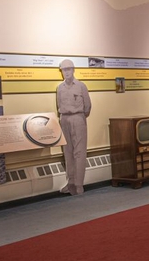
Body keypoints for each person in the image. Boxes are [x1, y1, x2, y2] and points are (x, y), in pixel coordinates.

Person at [56, 59, 91, 195]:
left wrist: (80, 116)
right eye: (64, 70)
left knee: (79, 152)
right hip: (64, 118)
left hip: (78, 117)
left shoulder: (81, 86)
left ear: (73, 70)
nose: (67, 72)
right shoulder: (60, 87)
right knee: (67, 151)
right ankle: (70, 183)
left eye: (69, 69)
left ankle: (79, 185)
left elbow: (87, 106)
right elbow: (58, 104)